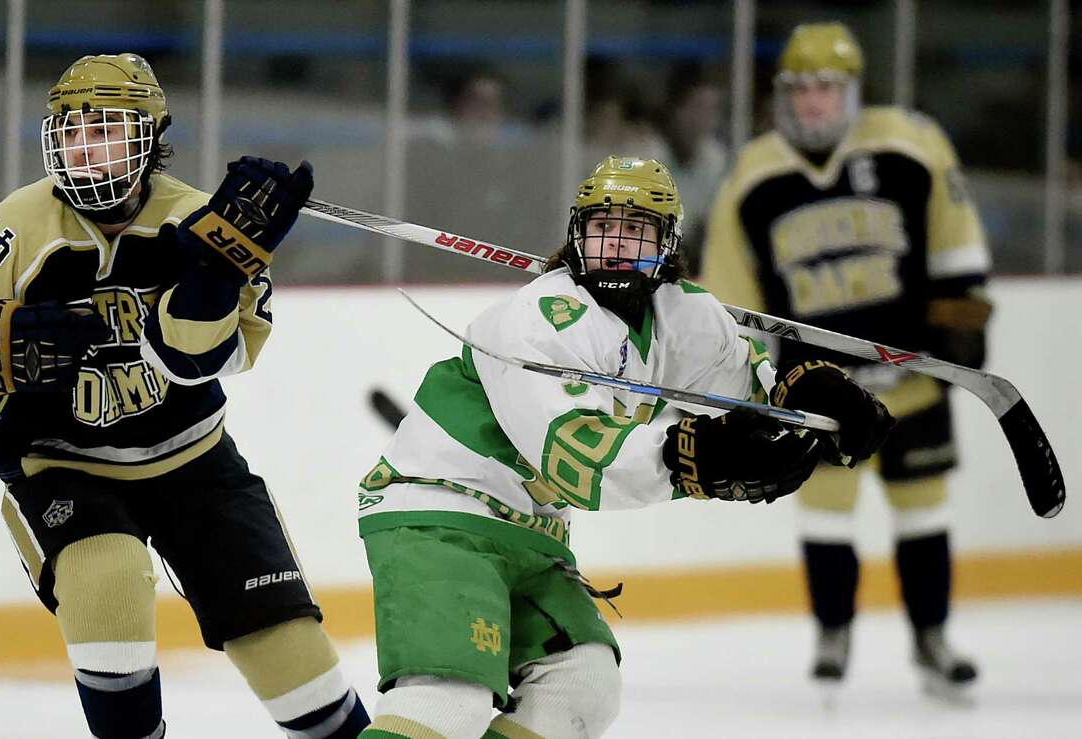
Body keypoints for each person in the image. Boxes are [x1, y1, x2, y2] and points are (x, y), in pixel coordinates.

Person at [0, 53, 370, 738]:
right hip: (62, 465)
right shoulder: (9, 234)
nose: (85, 151)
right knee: (108, 576)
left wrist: (217, 269)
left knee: (294, 661)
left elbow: (197, 357)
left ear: (150, 138)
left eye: (106, 131)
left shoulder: (199, 221)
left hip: (197, 466)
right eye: (72, 133)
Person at [353, 156, 893, 738]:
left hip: (531, 536)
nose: (615, 246)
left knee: (579, 689)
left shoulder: (682, 314)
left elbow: (746, 390)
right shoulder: (543, 315)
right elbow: (571, 457)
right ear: (575, 235)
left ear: (667, 244)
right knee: (447, 702)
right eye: (601, 228)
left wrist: (814, 403)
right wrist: (694, 459)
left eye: (635, 232)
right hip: (442, 515)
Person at [701, 23, 991, 695]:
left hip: (912, 382)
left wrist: (962, 329)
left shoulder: (910, 145)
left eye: (827, 89)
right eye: (799, 90)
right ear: (781, 95)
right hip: (820, 395)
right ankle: (833, 632)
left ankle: (932, 638)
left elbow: (957, 247)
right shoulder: (755, 174)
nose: (813, 104)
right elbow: (729, 304)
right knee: (825, 512)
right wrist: (746, 380)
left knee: (924, 508)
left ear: (853, 90)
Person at [658, 63, 730, 271]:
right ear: (675, 109)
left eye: (712, 110)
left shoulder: (715, 158)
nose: (704, 120)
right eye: (697, 107)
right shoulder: (648, 155)